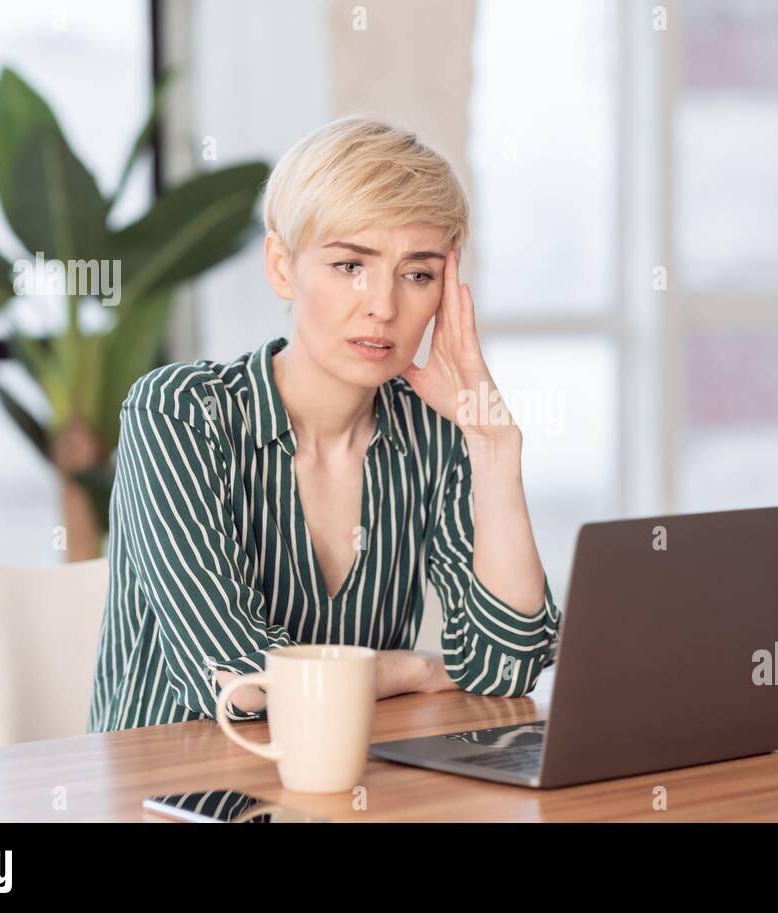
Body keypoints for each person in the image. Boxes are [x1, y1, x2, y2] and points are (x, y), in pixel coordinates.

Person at [88, 114, 560, 732]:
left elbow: (506, 666)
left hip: (349, 793)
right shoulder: (180, 412)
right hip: (177, 798)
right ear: (282, 266)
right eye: (349, 266)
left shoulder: (436, 434)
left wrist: (495, 446)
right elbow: (242, 682)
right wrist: (418, 670)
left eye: (417, 274)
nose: (384, 306)